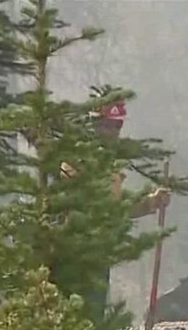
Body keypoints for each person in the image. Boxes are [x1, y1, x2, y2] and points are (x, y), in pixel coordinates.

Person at [59, 98, 172, 315]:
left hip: (99, 250)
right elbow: (96, 206)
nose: (114, 132)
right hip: (76, 251)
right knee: (77, 315)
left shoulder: (109, 163)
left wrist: (151, 202)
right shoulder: (76, 159)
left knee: (94, 313)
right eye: (108, 125)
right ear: (94, 124)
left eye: (117, 125)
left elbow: (117, 208)